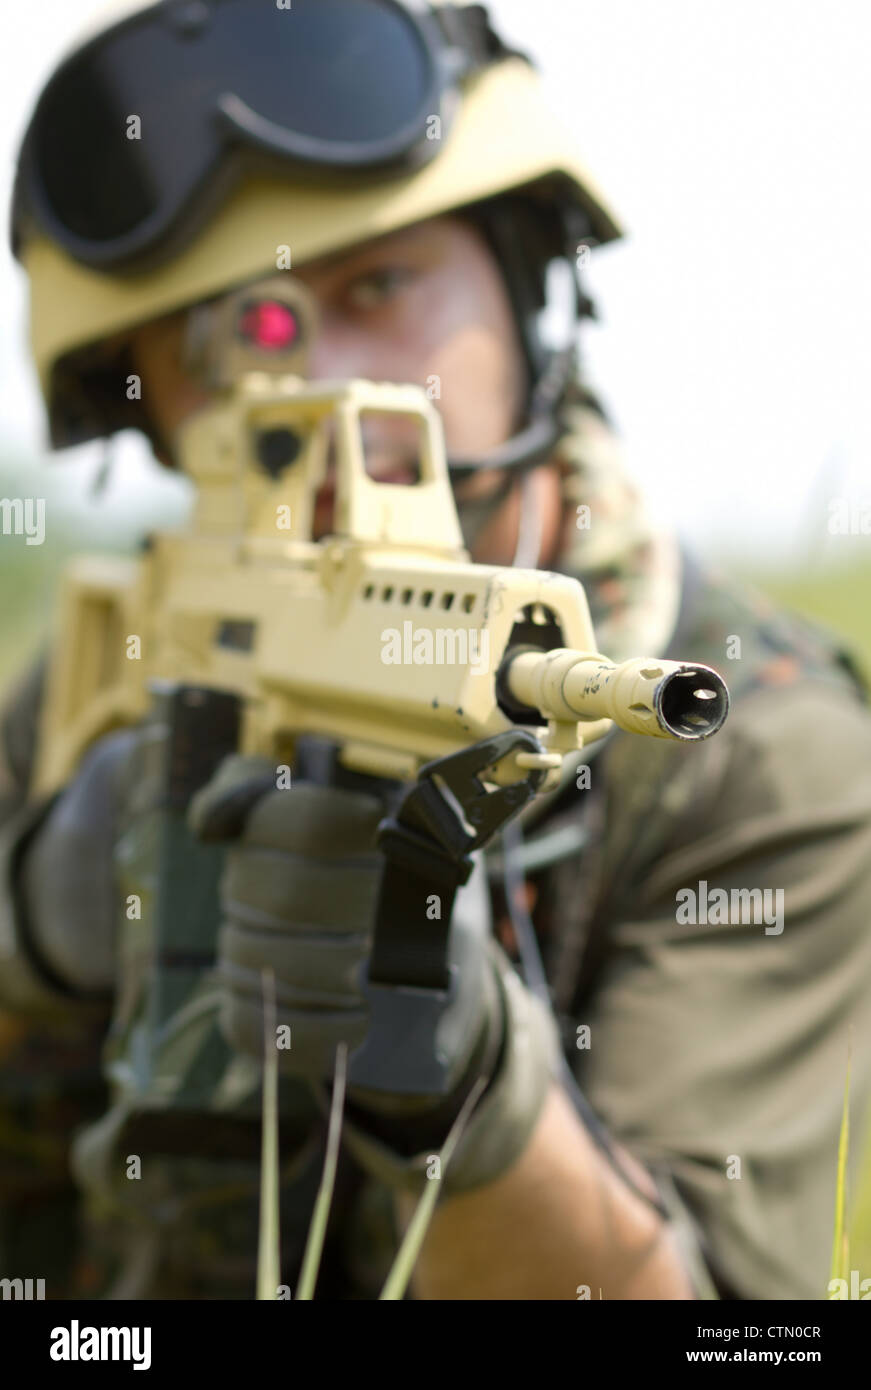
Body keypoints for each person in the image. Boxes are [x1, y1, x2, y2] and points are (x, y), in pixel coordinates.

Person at [2, 0, 870, 1301]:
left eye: (382, 284)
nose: (335, 387)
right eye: (217, 344)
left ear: (529, 281)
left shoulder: (762, 751)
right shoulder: (106, 680)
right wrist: (35, 933)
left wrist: (465, 1085)